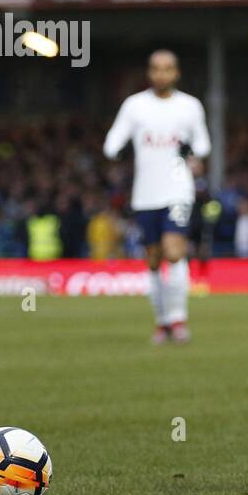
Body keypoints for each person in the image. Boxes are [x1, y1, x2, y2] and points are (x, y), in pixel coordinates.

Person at [104, 50, 211, 344]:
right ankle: (162, 322)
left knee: (174, 251)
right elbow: (112, 143)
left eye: (167, 69)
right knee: (153, 259)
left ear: (176, 73)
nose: (161, 74)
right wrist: (119, 151)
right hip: (145, 194)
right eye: (155, 69)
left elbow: (203, 143)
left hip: (178, 189)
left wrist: (194, 154)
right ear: (149, 73)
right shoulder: (134, 106)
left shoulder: (190, 106)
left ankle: (178, 320)